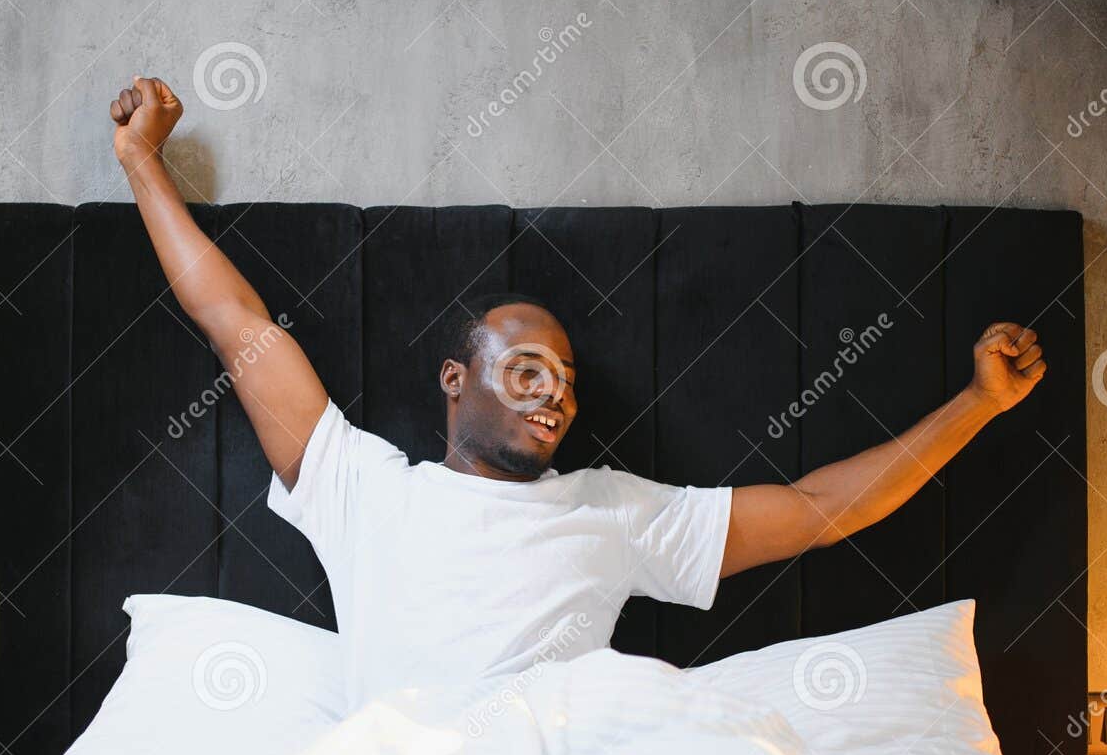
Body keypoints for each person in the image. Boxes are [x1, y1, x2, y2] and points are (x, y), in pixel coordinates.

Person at [111, 75, 1047, 706]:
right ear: (454, 379)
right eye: (527, 372)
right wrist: (144, 165)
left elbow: (814, 510)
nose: (554, 398)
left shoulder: (613, 508)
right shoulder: (361, 484)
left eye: (565, 384)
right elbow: (236, 322)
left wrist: (979, 403)